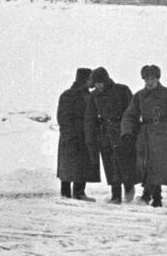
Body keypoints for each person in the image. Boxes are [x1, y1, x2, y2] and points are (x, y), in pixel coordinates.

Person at [120, 64, 167, 208]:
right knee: (148, 167)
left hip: (164, 134)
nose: (150, 82)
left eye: (153, 78)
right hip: (145, 135)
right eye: (147, 79)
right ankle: (156, 198)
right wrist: (126, 132)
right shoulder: (139, 96)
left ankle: (147, 196)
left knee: (157, 166)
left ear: (158, 78)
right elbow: (129, 115)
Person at [84, 67, 135, 203]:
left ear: (106, 80)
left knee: (124, 163)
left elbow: (132, 112)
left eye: (101, 82)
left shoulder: (122, 90)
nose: (99, 85)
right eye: (96, 83)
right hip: (105, 133)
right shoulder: (93, 96)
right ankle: (116, 195)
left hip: (122, 131)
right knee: (110, 164)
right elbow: (90, 118)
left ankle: (129, 190)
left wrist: (130, 131)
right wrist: (91, 138)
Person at [56, 67, 98, 200]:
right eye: (91, 79)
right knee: (69, 165)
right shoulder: (69, 94)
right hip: (72, 136)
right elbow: (63, 117)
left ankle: (79, 192)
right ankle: (66, 193)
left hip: (84, 135)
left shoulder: (89, 95)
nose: (93, 82)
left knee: (82, 165)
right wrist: (70, 134)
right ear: (85, 80)